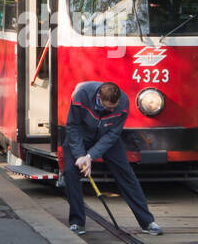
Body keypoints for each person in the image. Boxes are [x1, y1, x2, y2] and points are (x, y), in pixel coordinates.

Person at [62, 80, 162, 236]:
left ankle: (147, 222)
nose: (110, 110)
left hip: (107, 137)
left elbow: (113, 134)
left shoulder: (123, 102)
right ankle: (77, 222)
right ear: (99, 97)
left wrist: (90, 156)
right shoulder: (81, 95)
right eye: (107, 107)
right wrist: (81, 155)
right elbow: (72, 126)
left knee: (125, 173)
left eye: (113, 108)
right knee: (70, 172)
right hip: (80, 137)